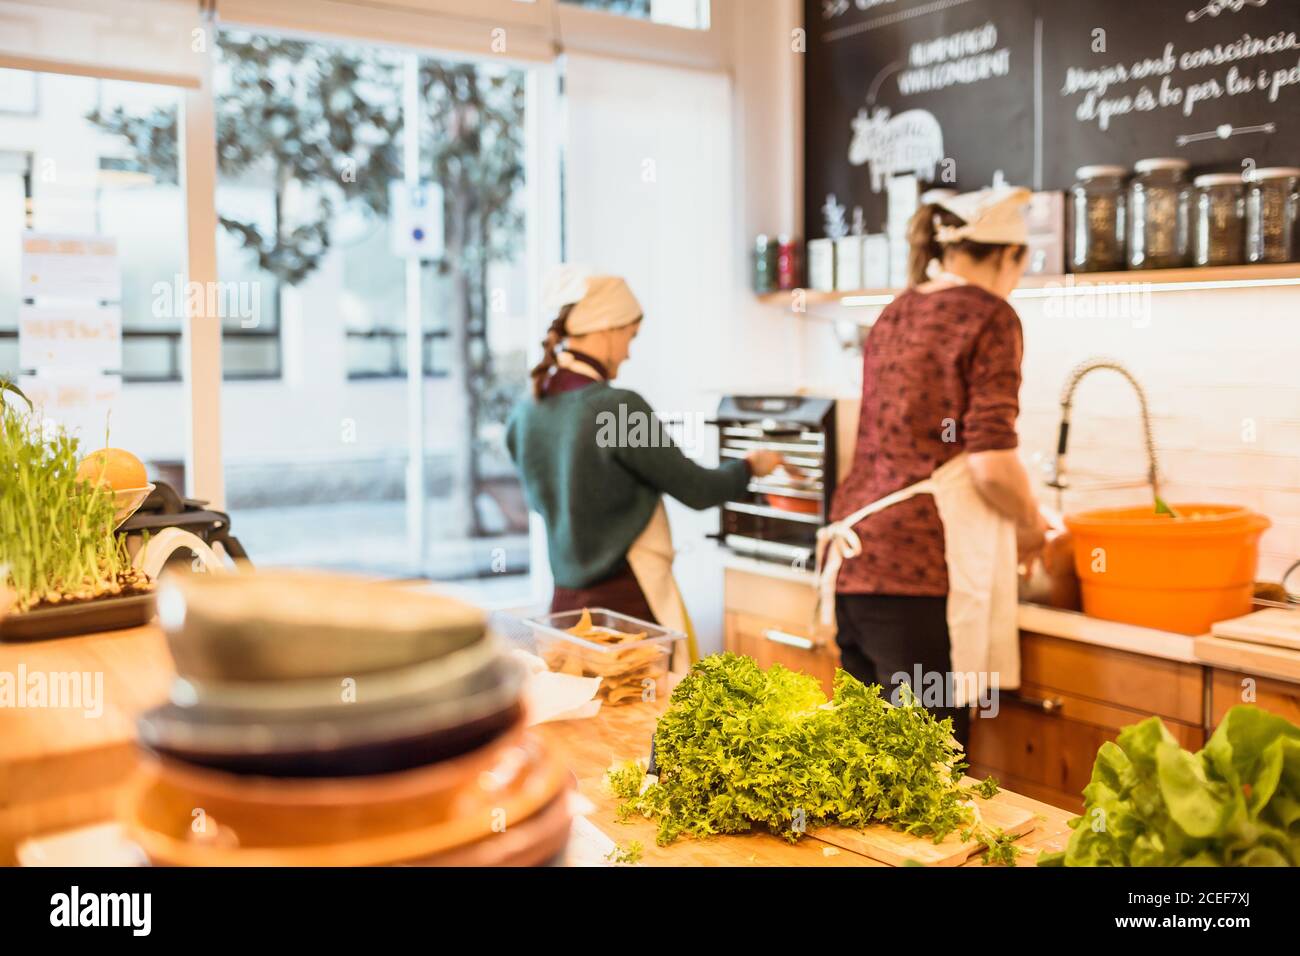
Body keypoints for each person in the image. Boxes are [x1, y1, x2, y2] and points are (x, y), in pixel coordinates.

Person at [815, 186, 1050, 748]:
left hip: (856, 563)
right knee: (929, 782)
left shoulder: (896, 311)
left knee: (867, 770)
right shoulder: (991, 316)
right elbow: (991, 464)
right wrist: (1031, 524)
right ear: (1006, 255)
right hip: (919, 576)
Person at [506, 267, 781, 660]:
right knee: (649, 718)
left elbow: (544, 502)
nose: (629, 352)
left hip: (564, 610)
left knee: (586, 720)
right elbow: (699, 490)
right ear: (607, 328)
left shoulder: (526, 411)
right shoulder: (616, 409)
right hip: (627, 611)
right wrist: (752, 466)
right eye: (629, 337)